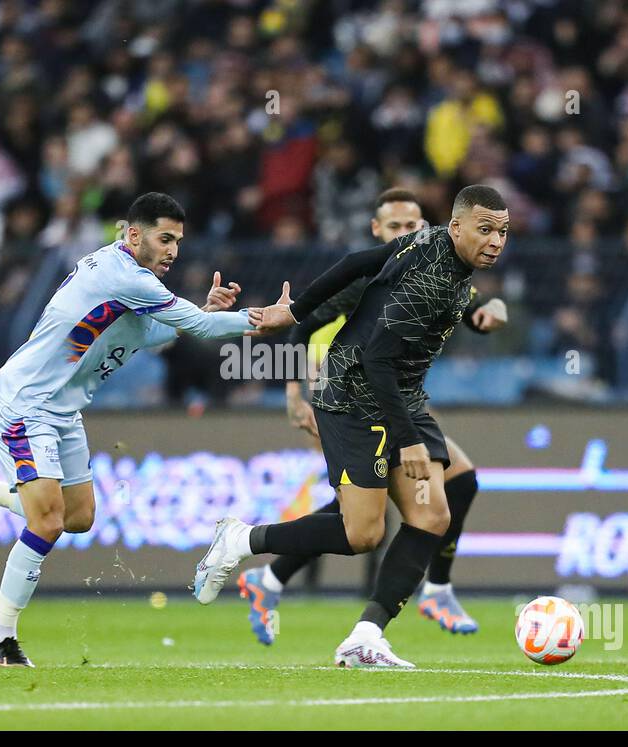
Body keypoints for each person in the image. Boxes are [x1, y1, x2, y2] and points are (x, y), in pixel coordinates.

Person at [194, 185, 510, 668]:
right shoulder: (430, 283)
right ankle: (241, 540)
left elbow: (360, 261)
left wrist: (293, 308)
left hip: (401, 396)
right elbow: (378, 359)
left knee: (432, 515)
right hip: (352, 396)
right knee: (362, 533)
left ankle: (365, 636)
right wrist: (408, 442)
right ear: (457, 226)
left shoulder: (429, 245)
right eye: (485, 229)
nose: (495, 241)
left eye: (503, 231)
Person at [0, 192, 265, 667]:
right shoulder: (124, 277)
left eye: (178, 241)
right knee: (47, 521)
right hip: (25, 403)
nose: (173, 251)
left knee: (77, 517)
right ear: (133, 235)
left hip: (61, 410)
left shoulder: (125, 280)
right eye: (165, 239)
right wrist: (262, 320)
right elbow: (199, 329)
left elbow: (158, 332)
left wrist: (202, 313)